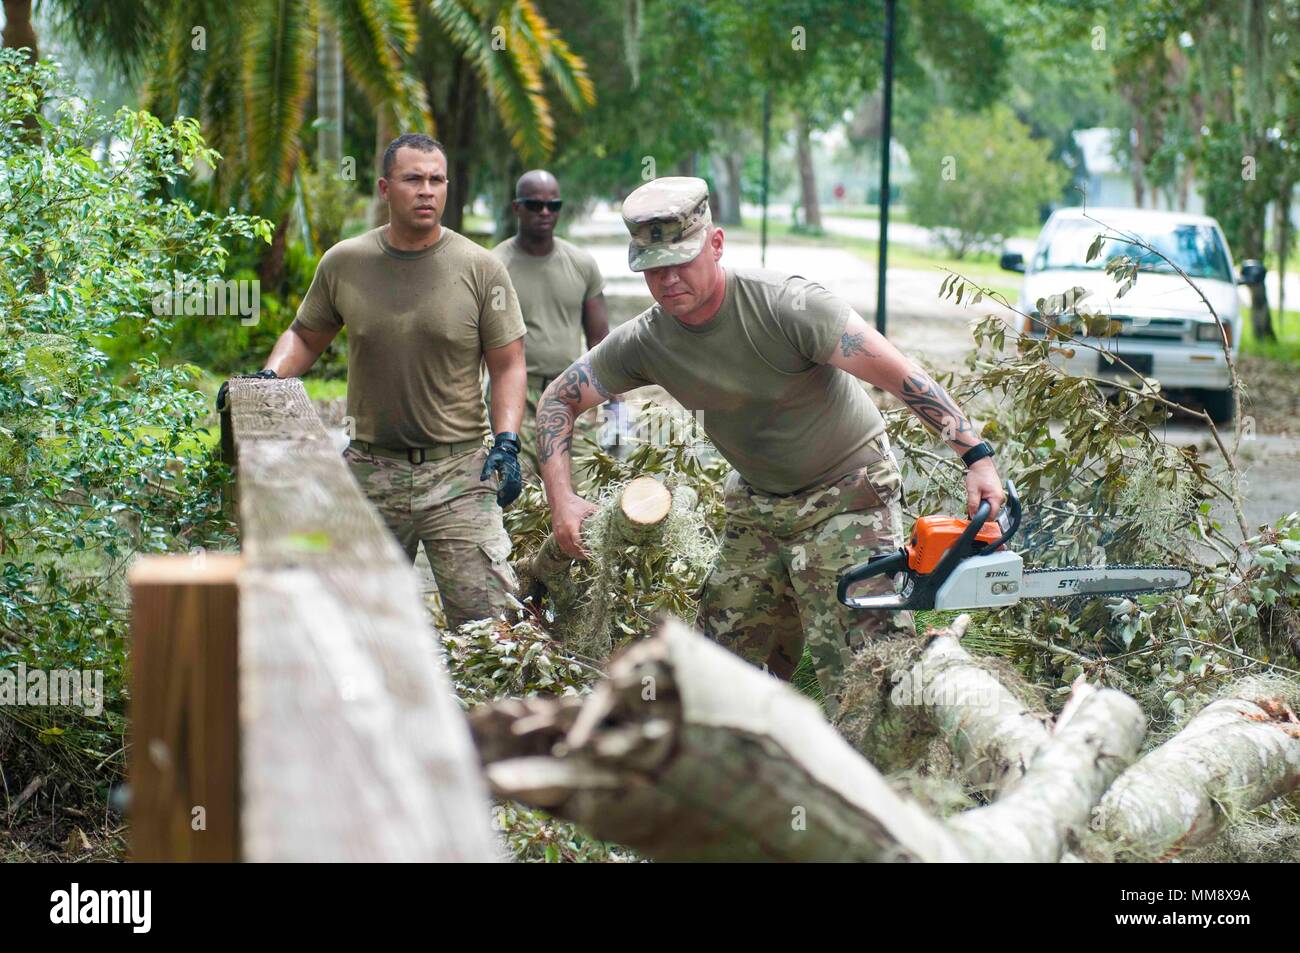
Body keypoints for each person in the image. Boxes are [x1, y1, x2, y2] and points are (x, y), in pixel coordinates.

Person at [534, 176, 1005, 716]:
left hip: (846, 498)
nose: (667, 281)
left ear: (715, 244)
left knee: (866, 678)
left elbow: (902, 375)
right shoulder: (647, 341)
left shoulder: (789, 305)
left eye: (680, 261)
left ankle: (882, 787)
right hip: (758, 506)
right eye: (651, 268)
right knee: (714, 667)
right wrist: (563, 501)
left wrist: (976, 456)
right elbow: (557, 400)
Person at [224, 133, 528, 629]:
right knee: (352, 624)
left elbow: (508, 364)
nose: (426, 190)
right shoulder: (346, 263)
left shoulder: (481, 269)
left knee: (489, 632)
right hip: (369, 472)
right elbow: (305, 335)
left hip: (460, 474)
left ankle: (485, 709)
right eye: (413, 179)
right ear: (386, 188)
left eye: (436, 180)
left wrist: (509, 442)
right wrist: (268, 378)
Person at [492, 169, 618, 473]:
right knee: (517, 492)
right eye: (534, 205)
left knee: (580, 489)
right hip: (516, 396)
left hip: (570, 392)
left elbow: (600, 340)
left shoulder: (581, 264)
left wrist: (616, 408)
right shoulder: (494, 267)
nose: (545, 212)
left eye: (554, 205)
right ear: (516, 208)